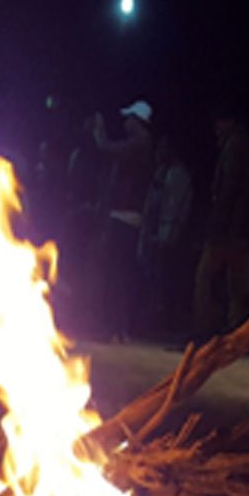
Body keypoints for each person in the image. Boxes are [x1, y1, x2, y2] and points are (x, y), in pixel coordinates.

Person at [193, 99, 249, 337]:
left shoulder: (233, 146)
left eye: (219, 122)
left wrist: (216, 225)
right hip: (243, 228)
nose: (216, 128)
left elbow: (229, 188)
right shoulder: (248, 147)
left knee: (205, 277)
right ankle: (237, 333)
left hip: (229, 228)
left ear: (228, 122)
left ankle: (203, 331)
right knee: (236, 284)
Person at [92, 99, 154, 341]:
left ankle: (114, 328)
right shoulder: (141, 144)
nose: (126, 123)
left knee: (115, 273)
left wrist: (99, 128)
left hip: (123, 216)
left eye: (129, 118)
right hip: (130, 216)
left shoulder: (138, 143)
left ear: (137, 122)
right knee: (122, 274)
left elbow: (104, 146)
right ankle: (119, 328)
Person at [137, 132, 193, 336]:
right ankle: (154, 321)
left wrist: (170, 234)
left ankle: (168, 324)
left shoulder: (180, 175)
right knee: (152, 280)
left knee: (166, 281)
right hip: (153, 232)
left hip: (167, 234)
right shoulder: (160, 171)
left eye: (164, 148)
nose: (159, 153)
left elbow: (178, 207)